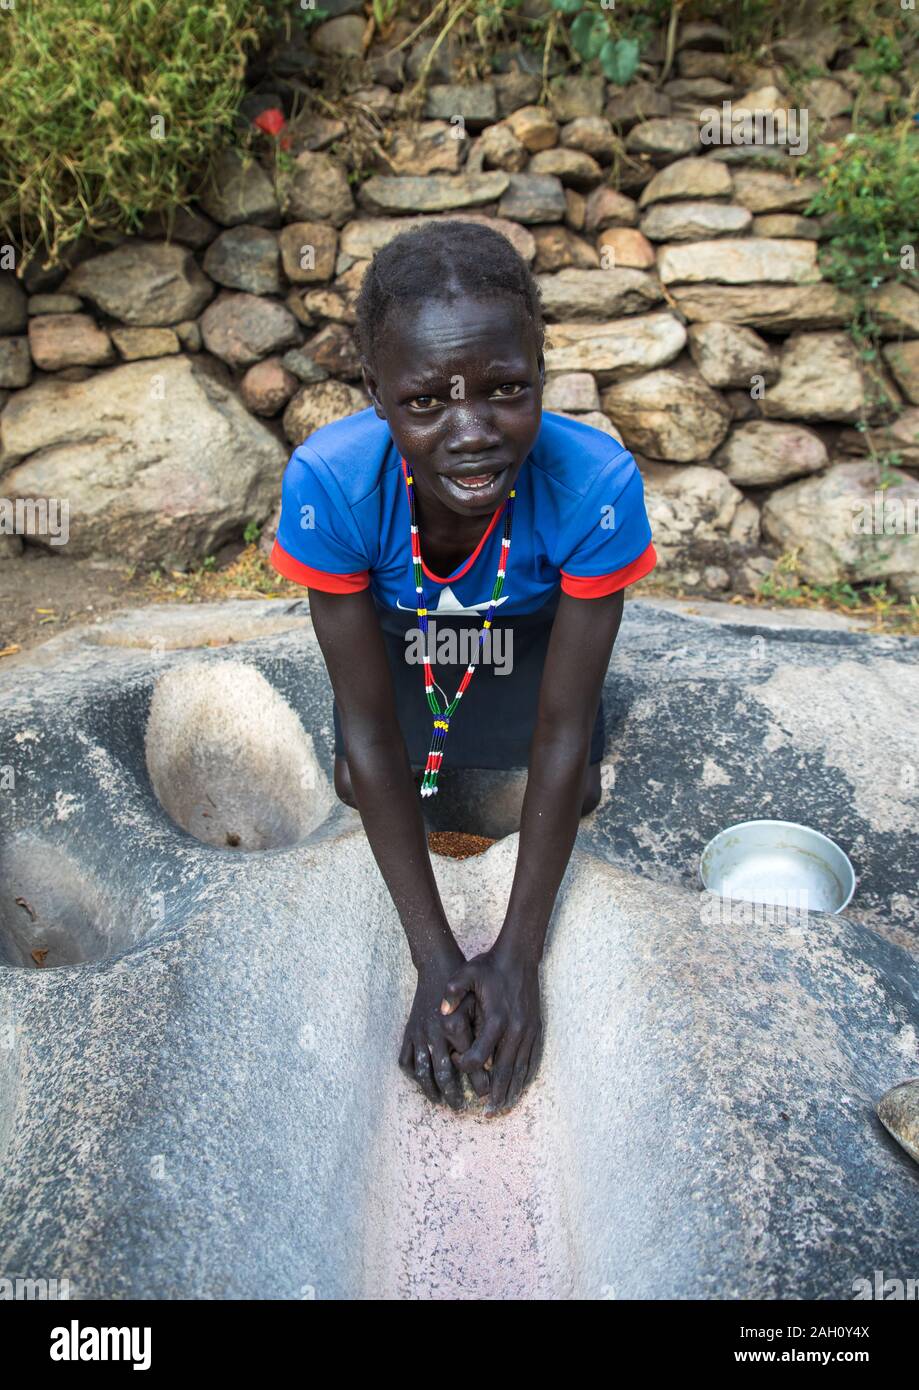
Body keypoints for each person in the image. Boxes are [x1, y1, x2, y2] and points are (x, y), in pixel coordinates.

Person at [270, 221, 657, 1117]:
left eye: (505, 390)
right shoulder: (329, 482)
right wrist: (435, 960)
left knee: (572, 783)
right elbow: (367, 726)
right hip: (403, 639)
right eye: (426, 404)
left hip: (526, 642)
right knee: (360, 776)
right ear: (374, 392)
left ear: (541, 370)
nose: (472, 432)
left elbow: (562, 731)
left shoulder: (595, 484)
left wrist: (517, 960)